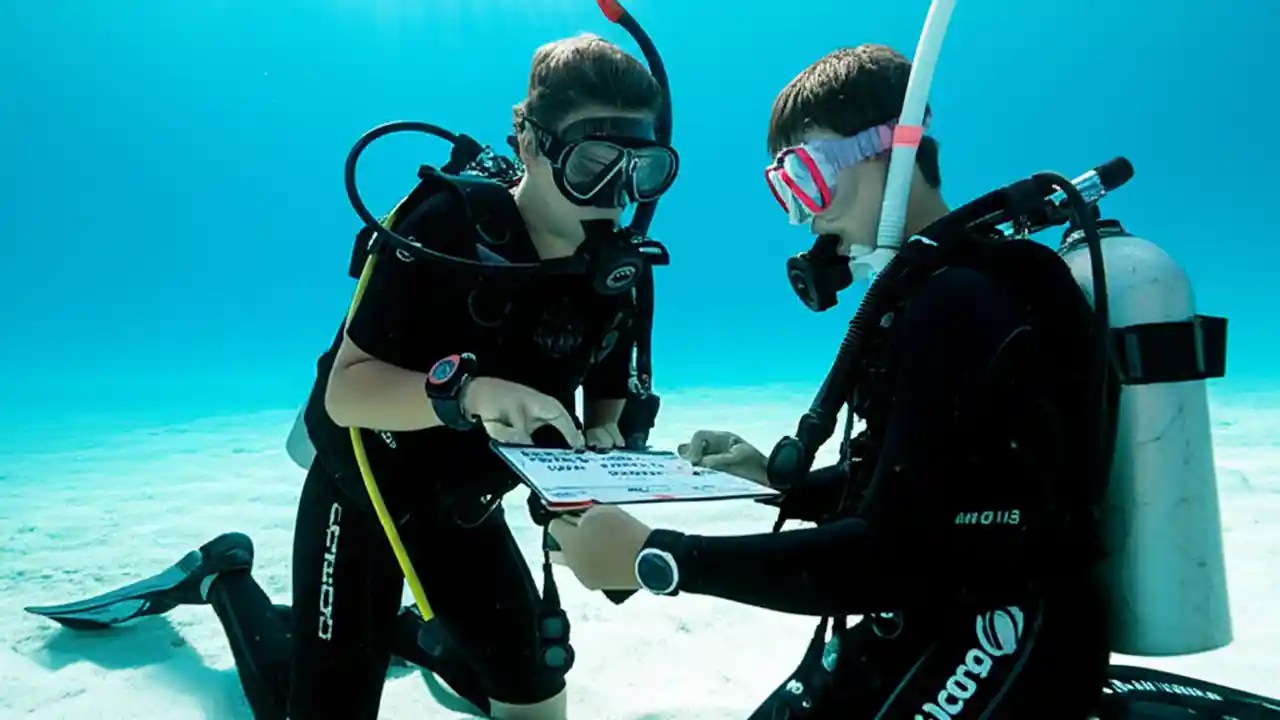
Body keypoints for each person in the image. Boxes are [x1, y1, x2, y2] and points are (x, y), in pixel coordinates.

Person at [26, 30, 680, 720]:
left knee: (537, 706)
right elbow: (346, 390)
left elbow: (607, 407)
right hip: (365, 482)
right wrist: (471, 393)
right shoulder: (443, 224)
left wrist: (601, 467)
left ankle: (407, 632)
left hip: (463, 504)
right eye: (593, 164)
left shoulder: (621, 274)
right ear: (529, 142)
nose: (616, 195)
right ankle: (224, 577)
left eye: (644, 172)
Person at [546, 43, 1114, 719]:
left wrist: (657, 557)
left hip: (1001, 635)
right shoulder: (937, 291)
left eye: (809, 177)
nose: (806, 216)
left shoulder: (958, 302)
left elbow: (891, 553)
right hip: (933, 615)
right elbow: (924, 487)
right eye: (786, 190)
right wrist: (777, 480)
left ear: (892, 151)